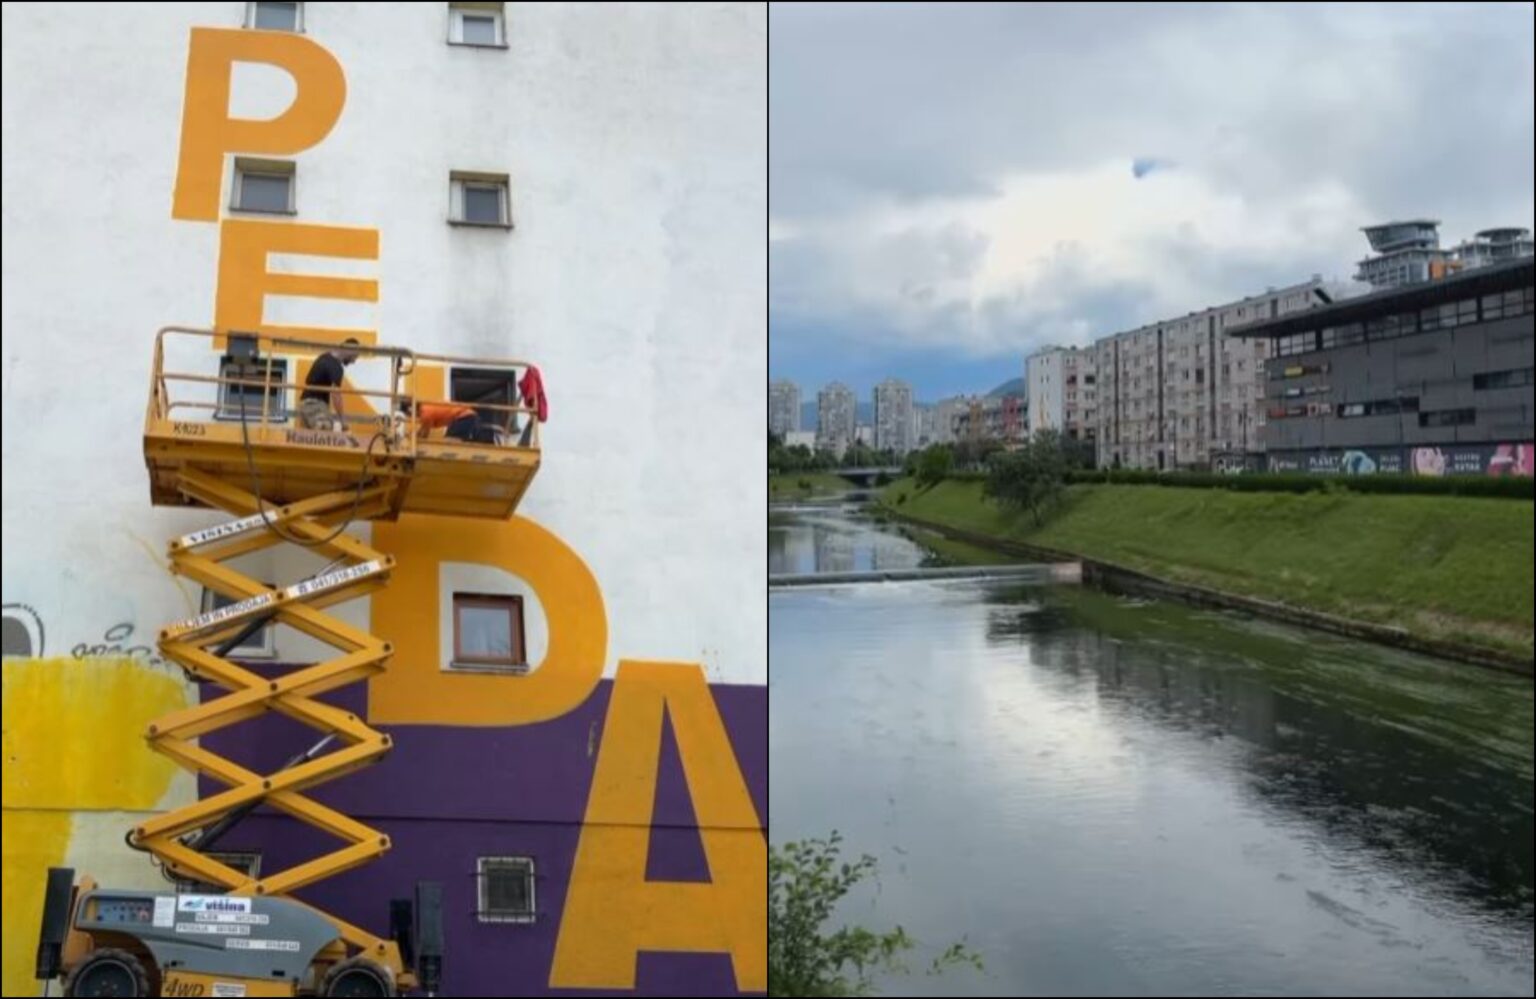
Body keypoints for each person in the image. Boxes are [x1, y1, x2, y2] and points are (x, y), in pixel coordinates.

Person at [299, 338, 362, 430]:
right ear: (349, 351)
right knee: (325, 435)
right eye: (354, 357)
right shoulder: (336, 366)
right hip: (315, 406)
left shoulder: (324, 357)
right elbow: (336, 394)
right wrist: (342, 420)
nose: (353, 361)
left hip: (305, 405)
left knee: (310, 441)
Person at [399, 398, 497, 443]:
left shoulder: (425, 413)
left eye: (407, 414)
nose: (409, 417)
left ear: (410, 409)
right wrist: (414, 435)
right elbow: (422, 430)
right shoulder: (426, 408)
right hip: (467, 417)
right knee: (451, 440)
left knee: (449, 443)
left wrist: (411, 440)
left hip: (464, 417)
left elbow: (424, 435)